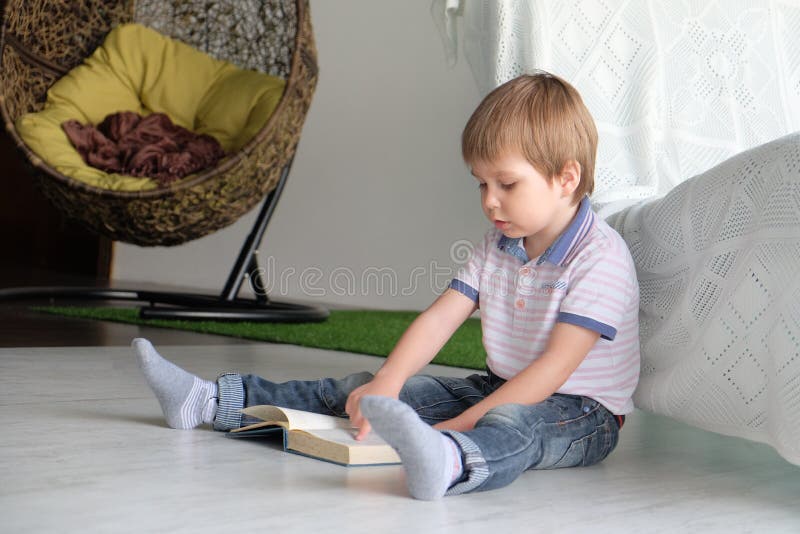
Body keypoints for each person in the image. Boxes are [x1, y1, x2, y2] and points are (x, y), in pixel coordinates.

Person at [134, 71, 640, 500]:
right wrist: (389, 383)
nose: (489, 201)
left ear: (566, 179)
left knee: (513, 427)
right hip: (501, 386)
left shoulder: (600, 257)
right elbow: (441, 317)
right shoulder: (499, 243)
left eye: (506, 184)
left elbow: (553, 372)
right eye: (480, 184)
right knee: (367, 393)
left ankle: (449, 463)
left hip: (580, 412)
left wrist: (458, 427)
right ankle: (211, 400)